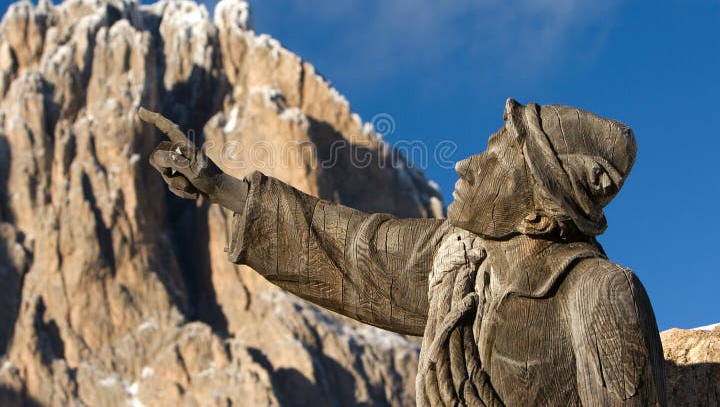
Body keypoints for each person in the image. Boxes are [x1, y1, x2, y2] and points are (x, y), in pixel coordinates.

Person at [140, 98, 666, 406]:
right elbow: (352, 250)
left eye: (497, 159)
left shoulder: (601, 294)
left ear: (537, 216)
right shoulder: (458, 259)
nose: (467, 166)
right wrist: (219, 187)